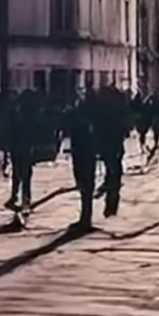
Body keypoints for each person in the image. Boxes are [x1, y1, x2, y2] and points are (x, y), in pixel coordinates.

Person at [92, 85, 131, 218]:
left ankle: (110, 201)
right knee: (114, 169)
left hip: (108, 141)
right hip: (114, 142)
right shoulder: (119, 107)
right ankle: (111, 203)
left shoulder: (102, 108)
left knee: (112, 168)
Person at [63, 93, 98, 232]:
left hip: (82, 153)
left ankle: (86, 219)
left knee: (85, 185)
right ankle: (86, 217)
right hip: (85, 153)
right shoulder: (91, 118)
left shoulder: (81, 119)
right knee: (86, 186)